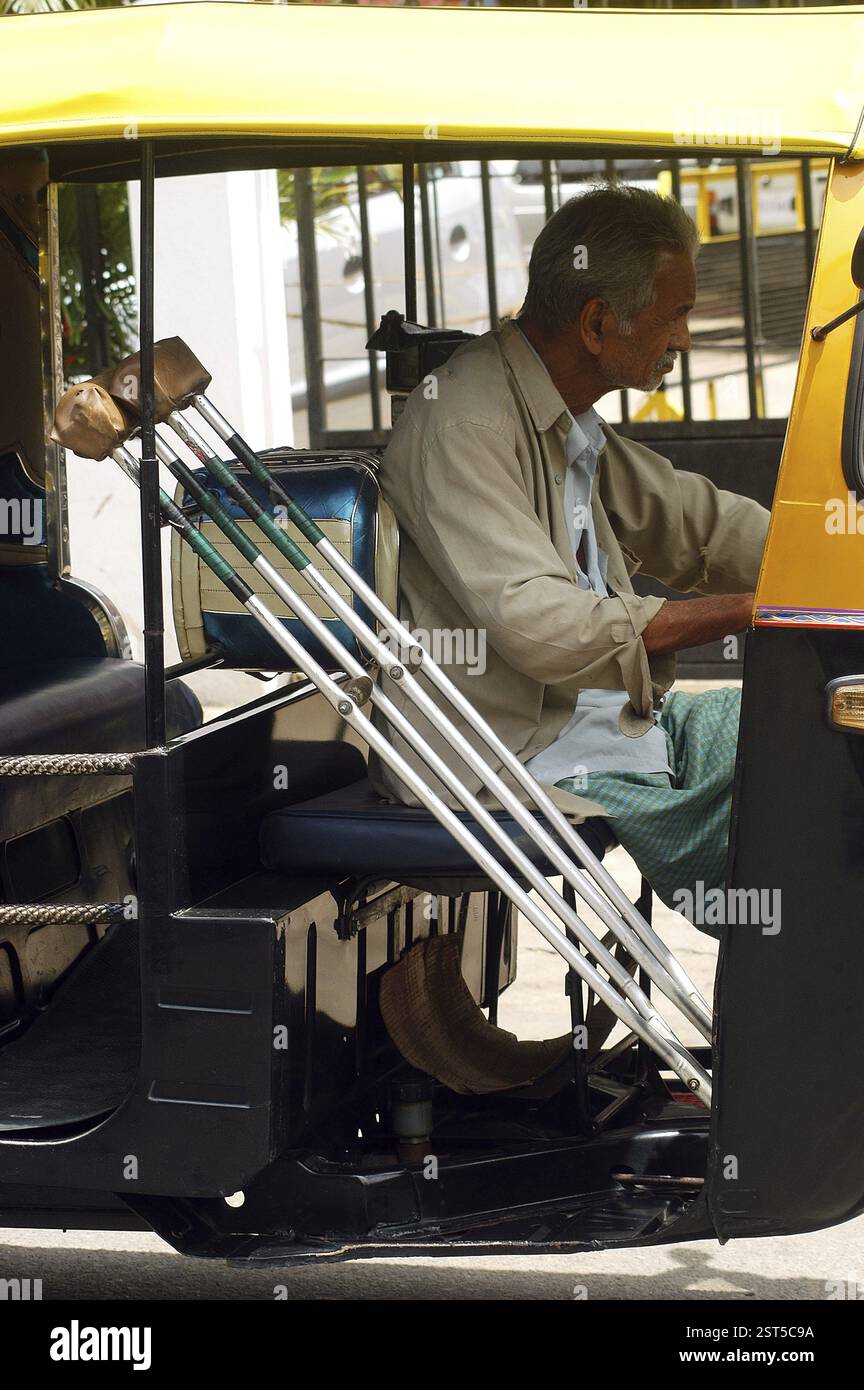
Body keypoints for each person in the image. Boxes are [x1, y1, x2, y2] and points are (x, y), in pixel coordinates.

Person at [369, 182, 769, 923]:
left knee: (798, 736)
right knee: (788, 809)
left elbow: (693, 520)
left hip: (590, 720)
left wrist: (827, 557)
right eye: (676, 315)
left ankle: (781, 988)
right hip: (511, 756)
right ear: (596, 323)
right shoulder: (469, 424)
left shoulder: (558, 409)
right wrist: (752, 610)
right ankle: (778, 993)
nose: (685, 338)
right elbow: (543, 625)